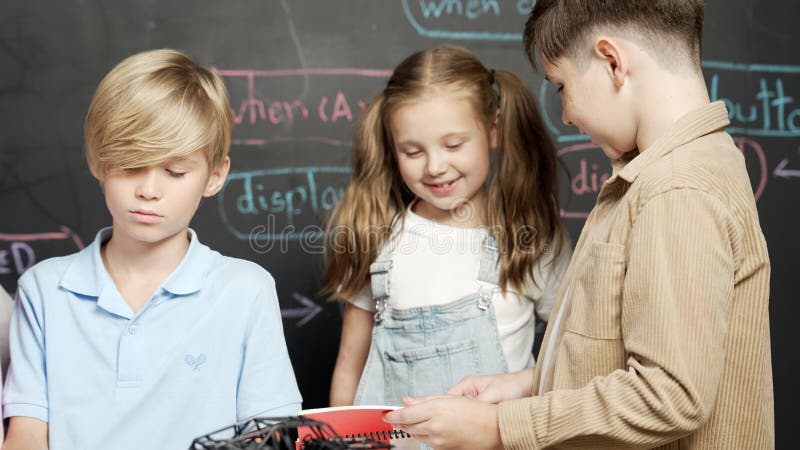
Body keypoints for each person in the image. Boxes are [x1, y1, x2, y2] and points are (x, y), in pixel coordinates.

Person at [385, 1, 774, 449]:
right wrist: (530, 384)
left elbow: (670, 395)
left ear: (612, 62)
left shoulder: (675, 189)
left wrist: (499, 427)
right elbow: (630, 357)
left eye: (562, 86)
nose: (566, 114)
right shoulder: (671, 173)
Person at [1, 49, 302, 450]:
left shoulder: (245, 290)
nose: (148, 190)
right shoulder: (44, 290)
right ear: (98, 162)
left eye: (175, 172)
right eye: (129, 165)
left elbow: (271, 435)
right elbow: (26, 434)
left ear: (214, 176)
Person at [325, 44, 571, 408]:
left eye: (453, 144)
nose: (435, 166)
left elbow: (573, 357)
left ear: (493, 129)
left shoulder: (530, 238)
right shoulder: (375, 235)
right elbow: (349, 367)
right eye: (413, 151)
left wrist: (524, 384)